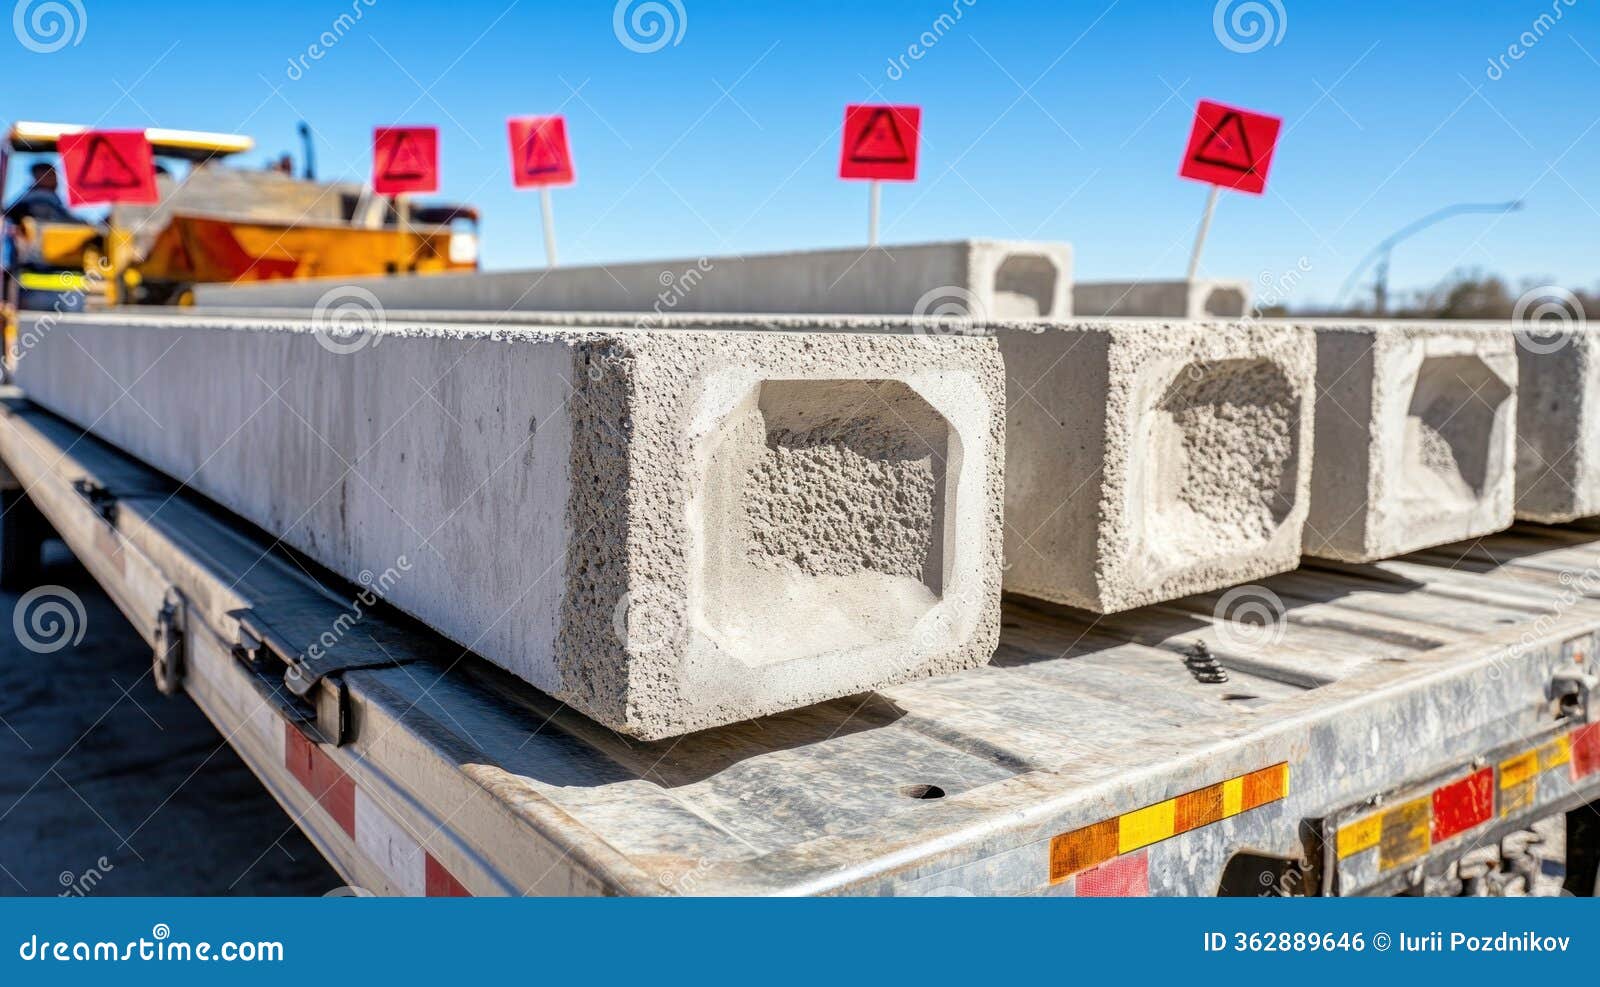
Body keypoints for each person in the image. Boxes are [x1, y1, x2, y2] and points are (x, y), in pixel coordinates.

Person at [4, 163, 87, 226]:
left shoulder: (27, 199)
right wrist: (86, 224)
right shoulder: (41, 200)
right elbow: (59, 223)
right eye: (51, 175)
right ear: (38, 177)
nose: (56, 180)